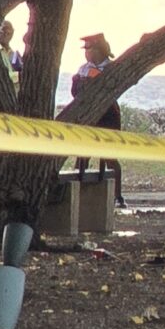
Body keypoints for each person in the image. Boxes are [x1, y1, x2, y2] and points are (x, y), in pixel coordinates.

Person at [68, 33, 126, 207]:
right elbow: (75, 92)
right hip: (89, 115)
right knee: (82, 155)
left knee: (109, 157)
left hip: (108, 117)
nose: (86, 53)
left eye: (89, 49)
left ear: (98, 50)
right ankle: (76, 192)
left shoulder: (112, 68)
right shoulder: (83, 69)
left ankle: (117, 196)